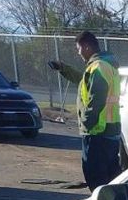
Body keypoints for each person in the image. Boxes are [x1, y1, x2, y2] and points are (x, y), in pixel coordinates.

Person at [49, 31, 122, 190]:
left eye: (79, 48)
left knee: (96, 176)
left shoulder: (97, 67)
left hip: (97, 131)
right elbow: (83, 81)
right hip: (111, 128)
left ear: (87, 47)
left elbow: (96, 99)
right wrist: (64, 69)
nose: (78, 52)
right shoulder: (105, 65)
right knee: (111, 176)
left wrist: (87, 123)